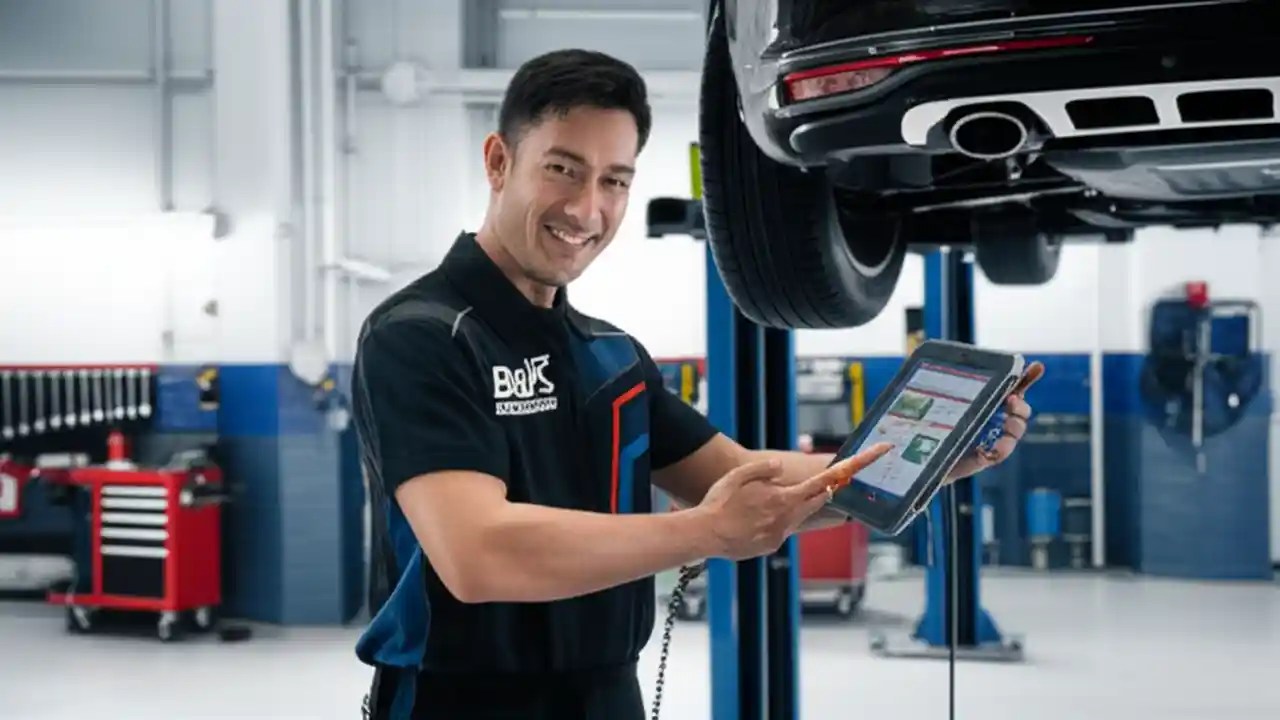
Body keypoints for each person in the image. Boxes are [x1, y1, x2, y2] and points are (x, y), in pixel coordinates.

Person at [350, 48, 1035, 720]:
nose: (588, 209)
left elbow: (742, 476)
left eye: (615, 181)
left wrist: (932, 462)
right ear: (500, 162)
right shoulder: (421, 335)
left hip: (606, 694)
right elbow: (478, 553)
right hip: (460, 702)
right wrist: (704, 532)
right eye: (563, 169)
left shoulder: (609, 355)